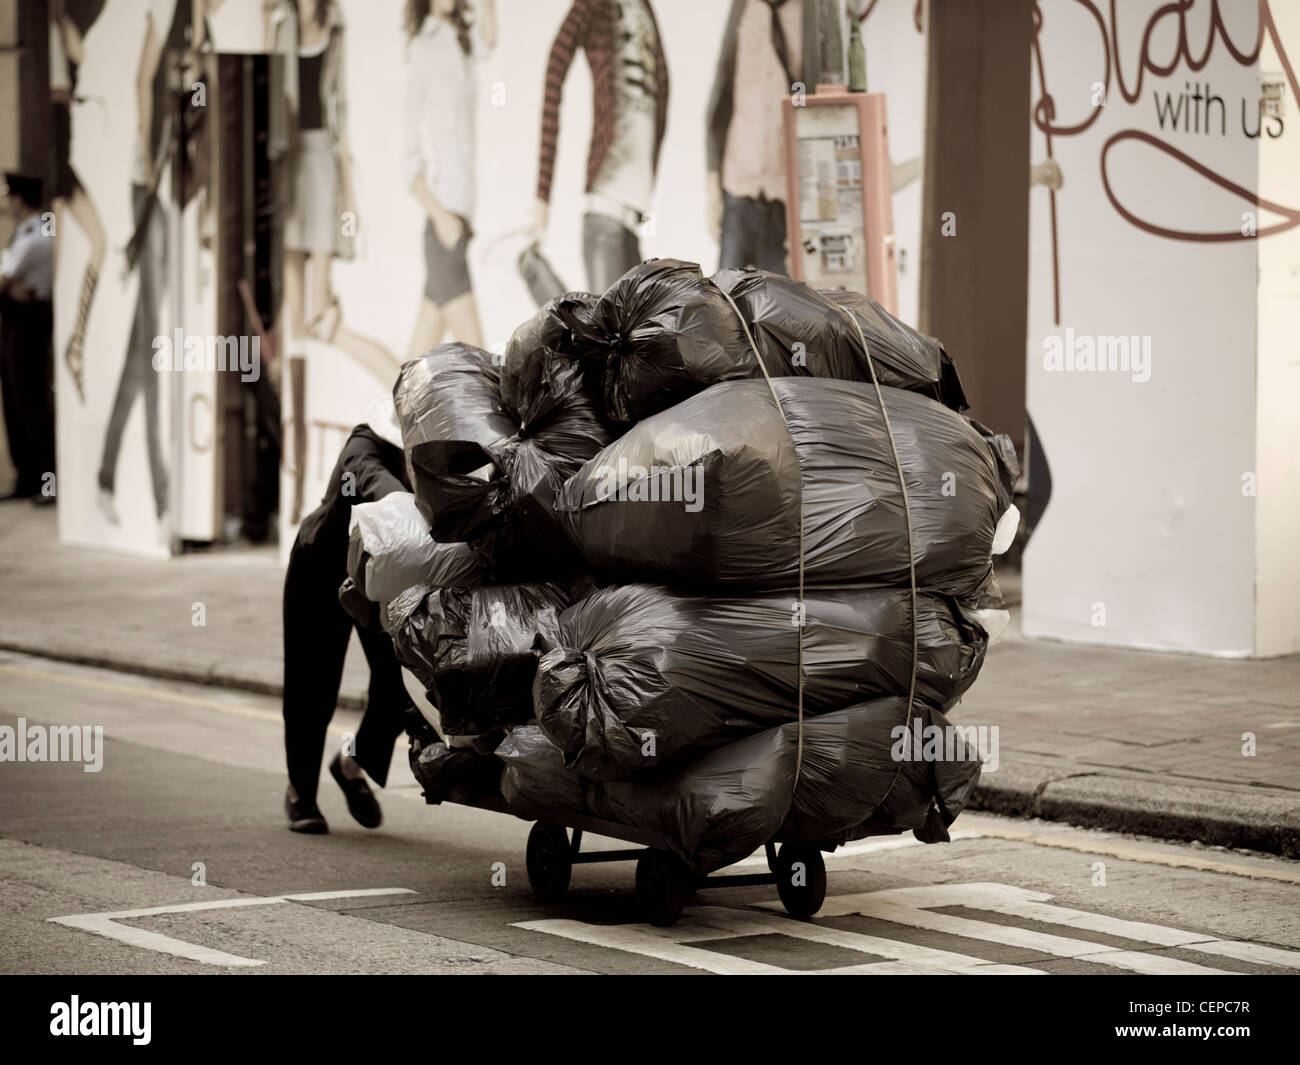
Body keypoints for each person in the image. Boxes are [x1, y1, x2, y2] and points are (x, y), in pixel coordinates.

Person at [266, 0, 401, 524]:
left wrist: (350, 202)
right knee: (295, 326)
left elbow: (338, 116)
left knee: (316, 322)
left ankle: (300, 480)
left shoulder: (334, 29)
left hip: (318, 161)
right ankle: (291, 475)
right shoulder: (277, 27)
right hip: (283, 166)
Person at [97, 0, 221, 527]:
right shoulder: (161, 12)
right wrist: (150, 172)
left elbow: (199, 114)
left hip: (172, 198)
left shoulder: (204, 35)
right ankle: (163, 492)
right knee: (152, 342)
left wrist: (202, 76)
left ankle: (105, 476)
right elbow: (141, 85)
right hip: (148, 191)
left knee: (140, 343)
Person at [282, 402, 414, 833]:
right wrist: (408, 504)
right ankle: (301, 791)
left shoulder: (435, 456)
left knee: (402, 686)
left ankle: (351, 764)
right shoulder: (363, 447)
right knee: (312, 688)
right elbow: (370, 479)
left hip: (377, 583)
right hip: (322, 571)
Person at [531, 0, 669, 294]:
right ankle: (533, 273)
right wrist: (542, 195)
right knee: (602, 338)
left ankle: (533, 272)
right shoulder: (594, 4)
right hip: (605, 212)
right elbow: (555, 68)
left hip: (632, 220)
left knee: (626, 337)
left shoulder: (645, 9)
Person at [403, 0, 496, 359]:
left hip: (459, 226)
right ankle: (334, 333)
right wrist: (440, 216)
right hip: (444, 228)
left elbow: (489, 39)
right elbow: (407, 162)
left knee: (410, 373)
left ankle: (337, 334)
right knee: (479, 367)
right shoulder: (422, 50)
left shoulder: (461, 41)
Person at [707, 0, 824, 274]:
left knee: (776, 310)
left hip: (783, 200)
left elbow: (816, 112)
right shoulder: (743, 8)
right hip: (737, 189)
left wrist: (806, 216)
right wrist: (712, 187)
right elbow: (721, 95)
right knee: (723, 307)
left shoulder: (811, 13)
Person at [49, 0, 107, 402]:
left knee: (98, 242)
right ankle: (53, 361)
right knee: (50, 267)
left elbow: (77, 47)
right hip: (49, 146)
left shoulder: (64, 18)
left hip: (60, 149)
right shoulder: (44, 23)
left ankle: (74, 345)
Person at [0, 173, 55, 503]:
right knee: (14, 403)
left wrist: (10, 285)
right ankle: (28, 479)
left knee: (31, 403)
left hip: (29, 321)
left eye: (7, 196)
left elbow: (4, 280)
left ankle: (46, 481)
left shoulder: (36, 236)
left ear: (19, 198)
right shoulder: (24, 233)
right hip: (14, 319)